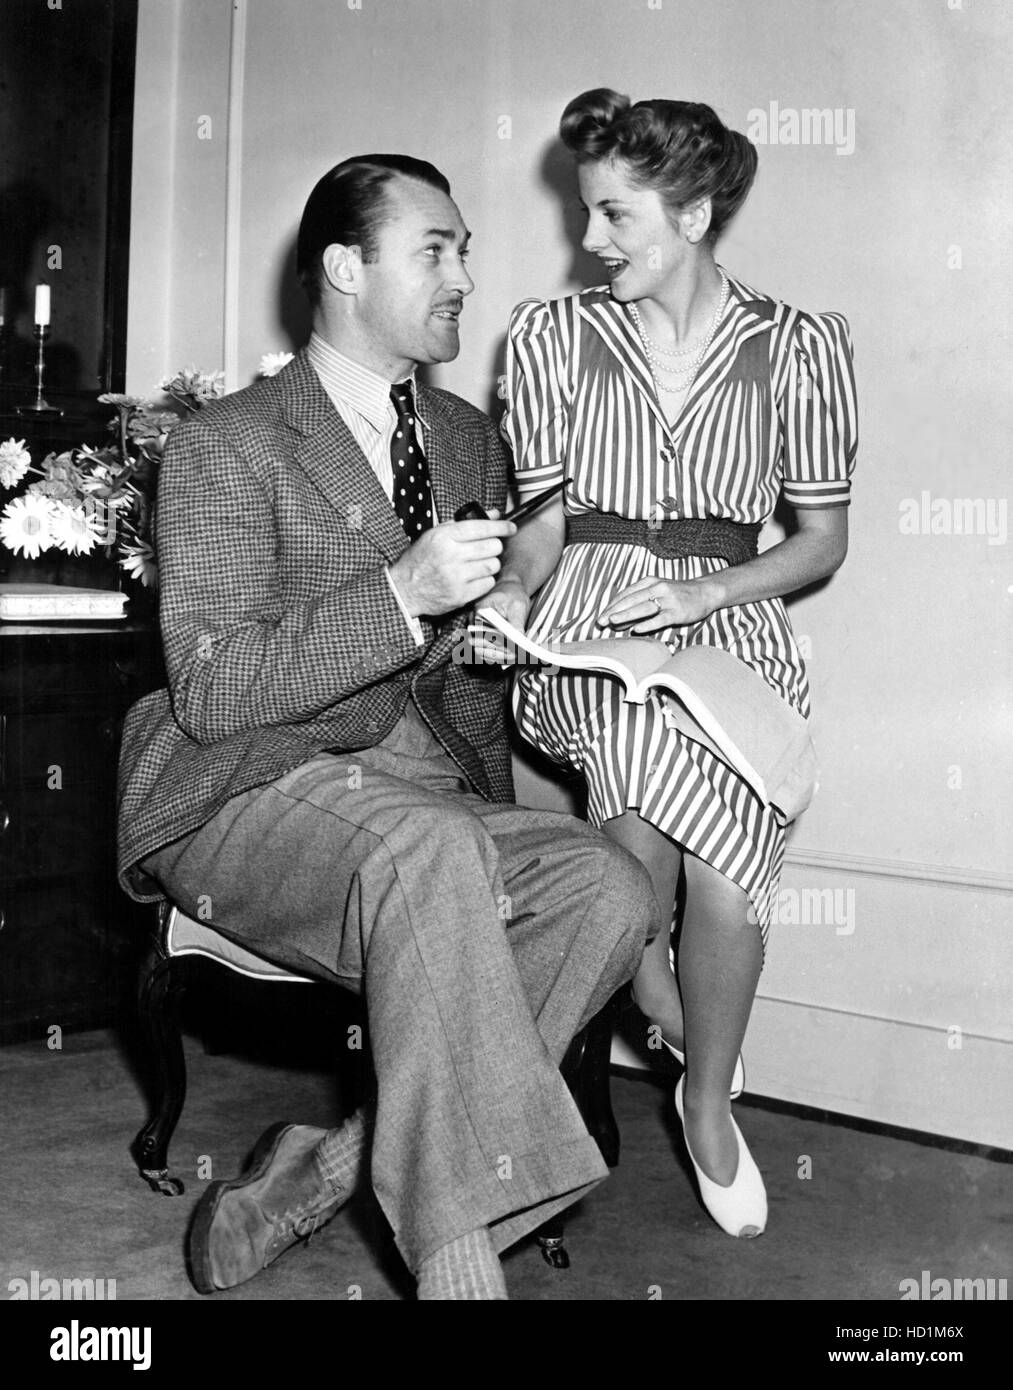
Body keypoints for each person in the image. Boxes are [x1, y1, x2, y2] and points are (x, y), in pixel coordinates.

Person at [116, 153, 658, 1300]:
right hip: (244, 786)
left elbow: (454, 695)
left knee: (605, 885)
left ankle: (331, 1169)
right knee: (431, 852)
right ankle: (461, 1278)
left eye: (465, 248)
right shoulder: (227, 443)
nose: (467, 273)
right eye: (438, 249)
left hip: (421, 794)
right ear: (344, 268)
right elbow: (210, 690)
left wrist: (489, 642)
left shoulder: (469, 441)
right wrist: (401, 598)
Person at [486, 90, 857, 1239]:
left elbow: (818, 538)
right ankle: (650, 984)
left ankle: (701, 1090)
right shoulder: (549, 337)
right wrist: (511, 586)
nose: (588, 242)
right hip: (594, 621)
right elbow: (543, 523)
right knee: (643, 750)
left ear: (691, 213)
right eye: (588, 214)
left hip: (728, 619)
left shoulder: (797, 344)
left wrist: (702, 593)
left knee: (725, 855)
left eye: (614, 216)